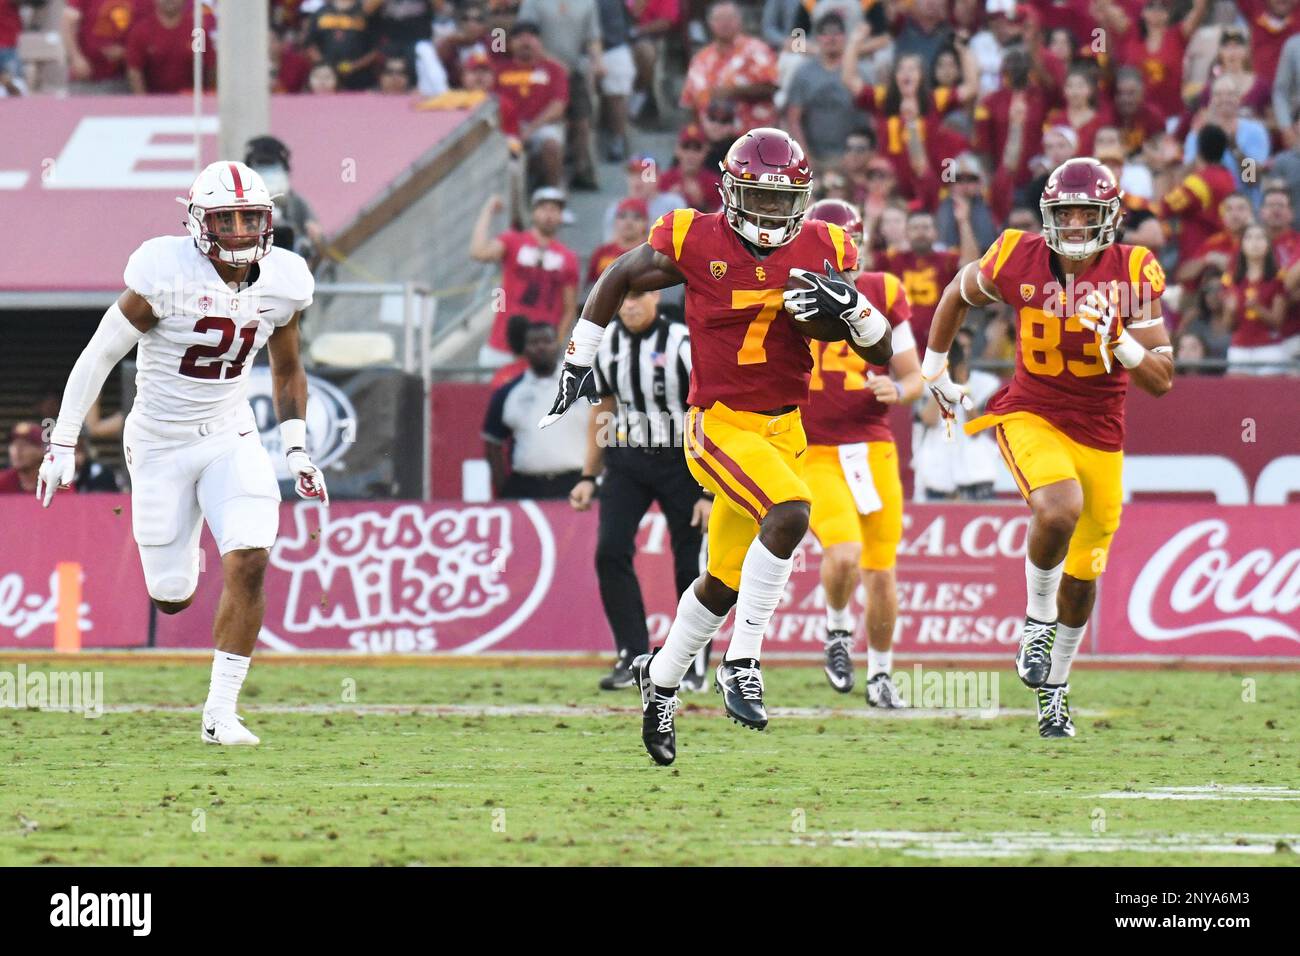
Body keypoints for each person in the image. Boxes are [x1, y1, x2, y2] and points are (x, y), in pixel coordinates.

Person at [539, 128, 893, 765]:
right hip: (719, 422)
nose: (771, 215)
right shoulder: (693, 237)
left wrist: (854, 310)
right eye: (758, 198)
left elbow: (882, 354)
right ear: (730, 191)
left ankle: (662, 680)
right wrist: (578, 358)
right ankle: (743, 661)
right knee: (790, 512)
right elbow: (618, 275)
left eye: (784, 203)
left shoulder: (823, 245)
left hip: (787, 428)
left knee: (721, 583)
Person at [37, 160, 326, 746]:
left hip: (230, 433)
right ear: (199, 224)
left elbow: (289, 367)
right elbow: (98, 356)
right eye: (228, 219)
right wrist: (63, 441)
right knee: (172, 598)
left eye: (252, 218)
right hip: (159, 442)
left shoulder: (284, 279)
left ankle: (220, 715)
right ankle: (184, 538)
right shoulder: (164, 271)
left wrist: (296, 448)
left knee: (249, 558)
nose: (243, 231)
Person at [925, 157, 1174, 739]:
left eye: (1090, 214)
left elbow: (1162, 379)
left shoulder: (1134, 270)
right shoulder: (1017, 254)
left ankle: (1054, 688)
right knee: (1058, 508)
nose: (1079, 225)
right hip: (1030, 412)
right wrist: (935, 367)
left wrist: (1122, 341)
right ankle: (1035, 623)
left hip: (1102, 432)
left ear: (1111, 217)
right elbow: (957, 293)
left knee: (1083, 578)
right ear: (1047, 217)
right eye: (1067, 214)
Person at [799, 200, 922, 705]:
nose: (842, 261)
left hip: (870, 447)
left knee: (881, 569)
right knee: (844, 552)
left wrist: (901, 390)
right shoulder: (791, 291)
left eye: (847, 249)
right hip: (815, 449)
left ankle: (881, 675)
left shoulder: (883, 290)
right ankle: (835, 630)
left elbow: (913, 375)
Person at [571, 288, 711, 691]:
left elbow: (707, 411)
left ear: (654, 297)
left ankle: (690, 661)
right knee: (610, 550)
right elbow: (604, 407)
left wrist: (708, 489)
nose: (630, 304)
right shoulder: (607, 343)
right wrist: (587, 475)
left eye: (638, 296)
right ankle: (632, 656)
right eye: (624, 298)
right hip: (627, 457)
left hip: (683, 460)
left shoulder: (683, 343)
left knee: (691, 561)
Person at [470, 188, 580, 367]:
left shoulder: (568, 258)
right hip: (501, 345)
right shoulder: (513, 241)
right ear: (534, 212)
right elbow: (479, 252)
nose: (549, 215)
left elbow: (569, 309)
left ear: (561, 216)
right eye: (544, 208)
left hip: (540, 351)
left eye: (554, 209)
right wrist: (487, 210)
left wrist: (555, 344)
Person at [482, 322, 586, 497]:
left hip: (575, 485)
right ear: (525, 349)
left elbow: (605, 430)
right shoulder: (508, 393)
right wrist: (504, 491)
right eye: (534, 343)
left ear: (558, 345)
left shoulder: (584, 386)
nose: (541, 347)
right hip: (527, 486)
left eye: (547, 341)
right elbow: (492, 443)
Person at [914, 336, 1001, 499]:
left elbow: (976, 429)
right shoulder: (925, 384)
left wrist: (963, 385)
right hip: (938, 479)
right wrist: (940, 380)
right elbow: (929, 419)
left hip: (975, 477)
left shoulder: (985, 383)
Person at [492, 20, 570, 189]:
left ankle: (554, 195)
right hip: (509, 127)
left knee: (551, 145)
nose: (525, 41)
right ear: (510, 44)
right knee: (505, 151)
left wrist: (530, 129)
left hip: (542, 126)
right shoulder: (500, 70)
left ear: (540, 42)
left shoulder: (554, 69)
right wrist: (513, 130)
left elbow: (558, 107)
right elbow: (491, 103)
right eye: (519, 37)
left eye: (531, 36)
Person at [679, 1, 778, 132]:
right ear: (710, 23)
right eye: (719, 19)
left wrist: (733, 91)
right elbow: (690, 103)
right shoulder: (700, 59)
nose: (725, 23)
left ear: (740, 21)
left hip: (752, 137)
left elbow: (772, 88)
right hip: (710, 138)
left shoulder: (757, 51)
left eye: (730, 18)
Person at [879, 210, 962, 355]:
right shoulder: (894, 259)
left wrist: (963, 221)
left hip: (939, 343)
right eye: (915, 228)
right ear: (906, 233)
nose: (920, 232)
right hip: (901, 343)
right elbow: (863, 263)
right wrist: (872, 219)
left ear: (936, 232)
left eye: (926, 227)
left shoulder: (947, 259)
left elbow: (971, 264)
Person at [1222, 224, 1289, 375]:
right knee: (1237, 396)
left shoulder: (1278, 279)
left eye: (1260, 238)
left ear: (1268, 244)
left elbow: (1278, 321)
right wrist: (1230, 311)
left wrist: (1257, 308)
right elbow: (1227, 326)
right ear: (1242, 245)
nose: (1254, 243)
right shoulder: (1231, 280)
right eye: (1249, 238)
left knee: (1270, 397)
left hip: (1269, 349)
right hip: (1239, 348)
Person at [126, 0, 215, 94]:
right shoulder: (141, 31)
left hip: (191, 101)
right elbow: (134, 70)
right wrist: (142, 103)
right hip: (153, 102)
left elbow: (210, 68)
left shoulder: (196, 31)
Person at [62, 0, 142, 93]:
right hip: (86, 78)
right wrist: (76, 58)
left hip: (122, 78)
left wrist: (127, 52)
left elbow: (148, 32)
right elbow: (68, 22)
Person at [305, 0, 380, 91]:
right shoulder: (321, 12)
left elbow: (376, 48)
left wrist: (354, 66)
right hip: (328, 79)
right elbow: (310, 44)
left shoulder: (366, 11)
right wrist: (326, 66)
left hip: (360, 78)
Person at [656, 124, 722, 213]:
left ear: (706, 151)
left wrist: (701, 204)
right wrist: (669, 201)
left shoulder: (715, 183)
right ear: (677, 150)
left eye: (697, 148)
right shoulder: (664, 180)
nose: (691, 155)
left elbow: (721, 219)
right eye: (685, 147)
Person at [586, 197, 647, 289]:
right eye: (623, 216)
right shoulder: (601, 253)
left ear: (646, 222)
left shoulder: (651, 254)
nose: (629, 222)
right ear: (615, 221)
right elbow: (590, 291)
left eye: (636, 217)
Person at [0, 422, 50, 495]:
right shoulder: (3, 482)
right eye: (14, 444)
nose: (17, 450)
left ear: (42, 450)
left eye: (24, 445)